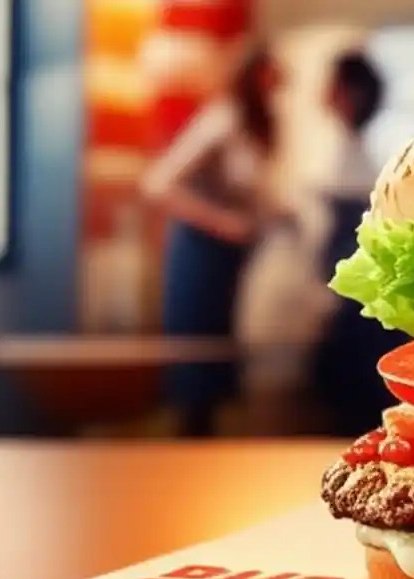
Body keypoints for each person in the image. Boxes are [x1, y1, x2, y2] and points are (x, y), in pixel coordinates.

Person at [142, 44, 284, 436]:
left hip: (229, 259)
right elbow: (159, 184)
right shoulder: (220, 121)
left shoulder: (254, 125)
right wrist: (221, 221)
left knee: (219, 355)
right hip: (199, 253)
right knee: (196, 357)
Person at [312, 50, 406, 436]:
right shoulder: (353, 148)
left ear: (347, 92)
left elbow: (338, 241)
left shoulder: (352, 156)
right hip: (352, 297)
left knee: (350, 399)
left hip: (352, 301)